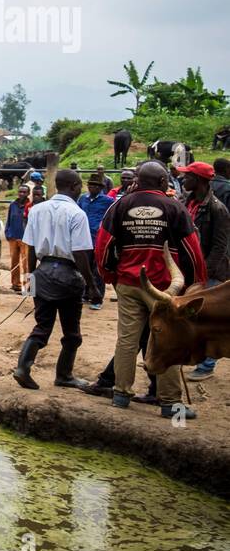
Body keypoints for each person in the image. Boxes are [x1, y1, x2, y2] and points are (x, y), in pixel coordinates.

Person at [95, 160, 205, 418]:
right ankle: (170, 404)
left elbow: (103, 245)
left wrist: (109, 274)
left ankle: (121, 395)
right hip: (165, 288)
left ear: (137, 181)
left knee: (127, 339)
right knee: (166, 339)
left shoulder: (120, 205)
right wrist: (196, 282)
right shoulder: (174, 207)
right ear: (162, 182)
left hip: (128, 283)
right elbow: (192, 249)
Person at [12, 169, 100, 392]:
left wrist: (28, 279)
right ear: (73, 186)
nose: (81, 189)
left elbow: (30, 248)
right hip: (68, 276)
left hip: (42, 272)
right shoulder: (77, 213)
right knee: (72, 333)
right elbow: (80, 253)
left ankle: (23, 368)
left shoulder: (37, 210)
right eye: (79, 185)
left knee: (42, 327)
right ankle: (64, 375)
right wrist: (92, 285)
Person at [179, 162, 229, 382]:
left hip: (209, 271)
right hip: (190, 268)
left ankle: (207, 364)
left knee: (207, 317)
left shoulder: (217, 209)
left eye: (187, 176)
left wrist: (204, 273)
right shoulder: (186, 202)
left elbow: (220, 246)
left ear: (198, 180)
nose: (183, 180)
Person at [77, 173, 113, 310]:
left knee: (97, 270)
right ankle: (86, 294)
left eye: (96, 185)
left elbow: (110, 218)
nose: (92, 187)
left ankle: (97, 298)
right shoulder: (83, 199)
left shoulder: (107, 201)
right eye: (91, 185)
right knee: (84, 267)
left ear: (101, 187)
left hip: (98, 239)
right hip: (83, 239)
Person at [5, 183, 31, 295]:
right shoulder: (13, 205)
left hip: (26, 239)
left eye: (24, 192)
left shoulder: (31, 205)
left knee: (27, 263)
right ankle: (16, 284)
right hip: (13, 237)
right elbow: (9, 220)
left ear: (28, 193)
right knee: (14, 262)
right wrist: (7, 232)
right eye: (20, 191)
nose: (22, 194)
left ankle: (29, 287)